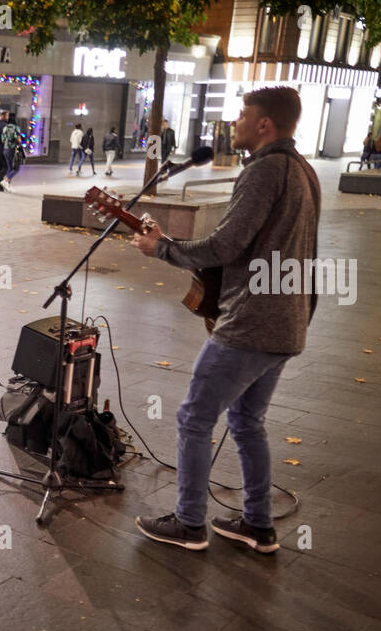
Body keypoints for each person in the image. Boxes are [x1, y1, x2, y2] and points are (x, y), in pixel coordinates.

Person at [130, 86, 321, 553]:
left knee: (195, 418)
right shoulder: (304, 171)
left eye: (241, 115)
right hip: (287, 322)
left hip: (252, 323)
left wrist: (164, 249)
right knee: (246, 420)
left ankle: (190, 522)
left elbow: (226, 245)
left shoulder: (264, 171)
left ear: (264, 124)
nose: (233, 123)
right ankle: (257, 524)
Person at [1, 114, 23, 190]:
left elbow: (2, 140)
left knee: (10, 168)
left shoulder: (5, 128)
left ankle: (7, 186)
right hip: (12, 149)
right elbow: (18, 139)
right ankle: (5, 180)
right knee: (17, 168)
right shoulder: (16, 128)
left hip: (5, 149)